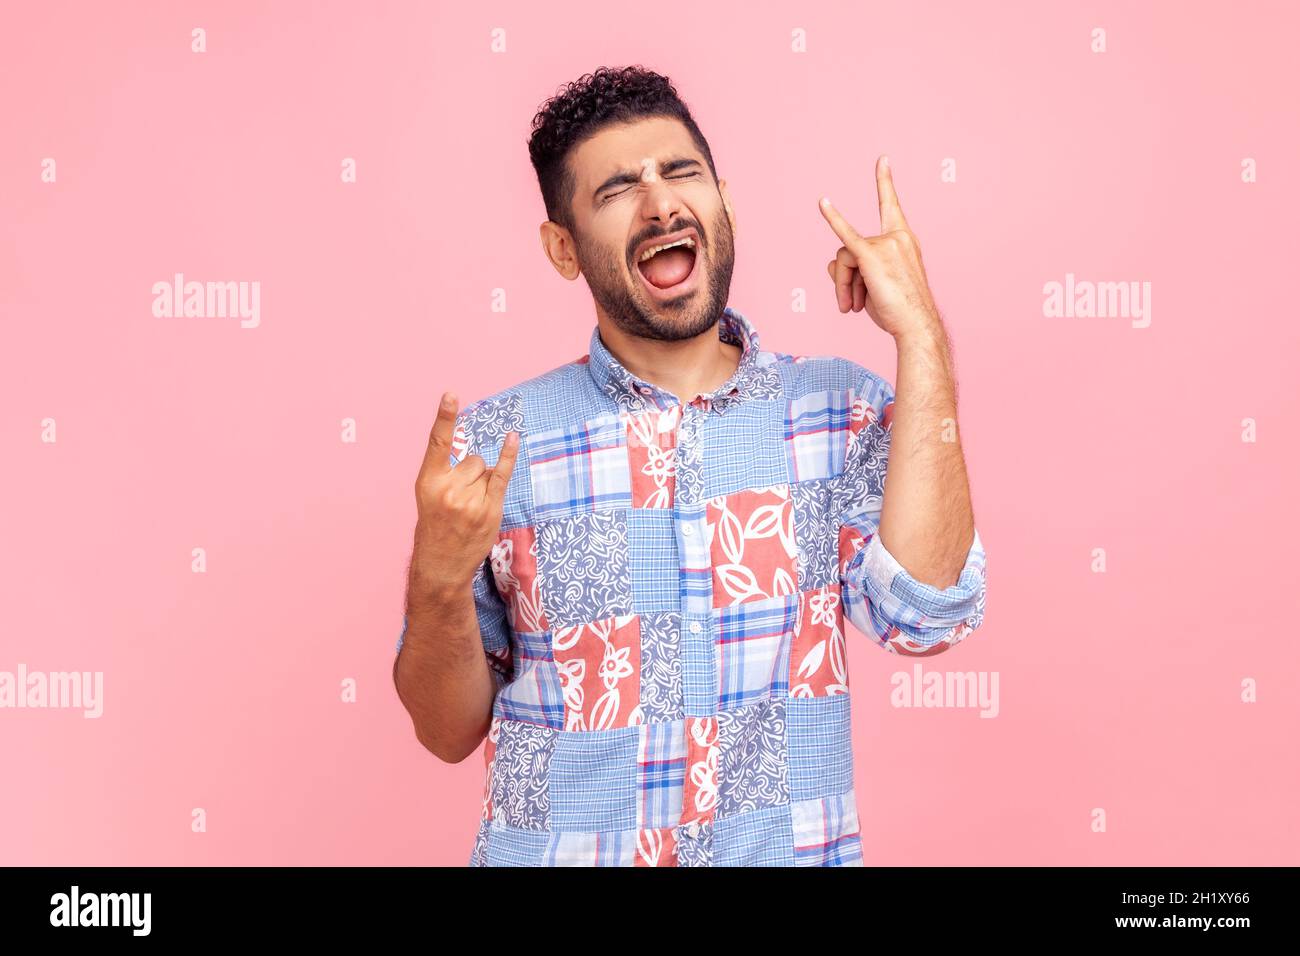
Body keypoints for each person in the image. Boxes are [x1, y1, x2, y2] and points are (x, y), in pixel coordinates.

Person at [393, 65, 987, 867]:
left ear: (723, 203)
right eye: (617, 190)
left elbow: (926, 618)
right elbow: (445, 731)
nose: (661, 202)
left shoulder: (838, 412)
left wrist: (921, 336)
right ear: (563, 250)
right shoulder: (496, 446)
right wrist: (436, 576)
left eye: (681, 174)